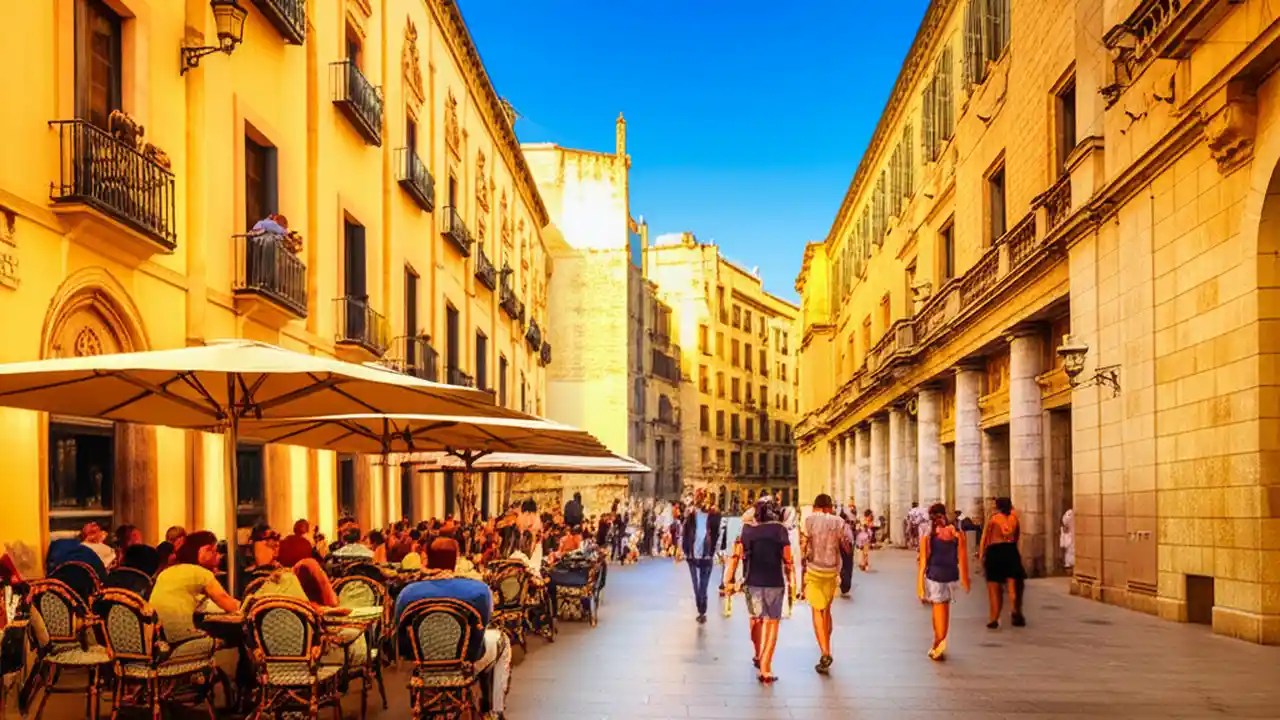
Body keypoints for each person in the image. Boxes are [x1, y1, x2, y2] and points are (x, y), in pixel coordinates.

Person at [395, 539, 511, 720]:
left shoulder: (407, 594)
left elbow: (401, 636)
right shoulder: (478, 590)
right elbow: (485, 622)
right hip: (467, 659)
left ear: (428, 560)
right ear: (456, 560)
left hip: (423, 662)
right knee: (502, 640)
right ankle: (493, 710)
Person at [724, 499, 792, 684]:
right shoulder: (780, 530)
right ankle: (765, 668)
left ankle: (757, 653)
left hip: (751, 582)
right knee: (772, 624)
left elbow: (736, 555)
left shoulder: (747, 530)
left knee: (755, 619)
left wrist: (728, 580)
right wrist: (792, 579)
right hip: (774, 582)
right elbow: (787, 558)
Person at [150, 531, 239, 640]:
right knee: (238, 634)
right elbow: (228, 604)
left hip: (157, 637)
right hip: (179, 638)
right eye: (210, 549)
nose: (216, 554)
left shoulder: (167, 572)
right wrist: (249, 607)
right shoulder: (201, 573)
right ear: (197, 550)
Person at [802, 493, 854, 674]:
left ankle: (825, 651)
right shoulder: (839, 522)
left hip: (814, 570)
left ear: (816, 506)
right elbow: (847, 547)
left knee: (817, 610)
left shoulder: (808, 521)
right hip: (831, 571)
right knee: (827, 610)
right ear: (829, 506)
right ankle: (827, 643)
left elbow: (804, 547)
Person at [917, 503, 970, 660]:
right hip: (951, 576)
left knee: (938, 609)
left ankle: (939, 642)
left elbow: (923, 564)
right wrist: (965, 579)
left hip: (935, 576)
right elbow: (962, 558)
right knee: (944, 610)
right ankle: (938, 641)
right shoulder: (956, 534)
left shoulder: (929, 535)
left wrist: (920, 586)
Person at [980, 497, 1027, 628]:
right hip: (1011, 551)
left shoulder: (993, 519)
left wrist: (982, 554)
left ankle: (994, 618)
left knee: (994, 588)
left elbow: (986, 537)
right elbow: (1017, 537)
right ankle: (1015, 610)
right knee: (1013, 585)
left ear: (997, 506)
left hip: (995, 551)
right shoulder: (1014, 518)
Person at [681, 489, 722, 624]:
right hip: (693, 555)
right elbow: (686, 533)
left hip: (706, 555)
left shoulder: (714, 516)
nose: (702, 501)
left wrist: (714, 551)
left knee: (703, 586)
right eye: (700, 498)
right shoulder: (691, 515)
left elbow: (717, 533)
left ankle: (702, 610)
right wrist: (685, 550)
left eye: (704, 498)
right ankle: (701, 608)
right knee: (696, 585)